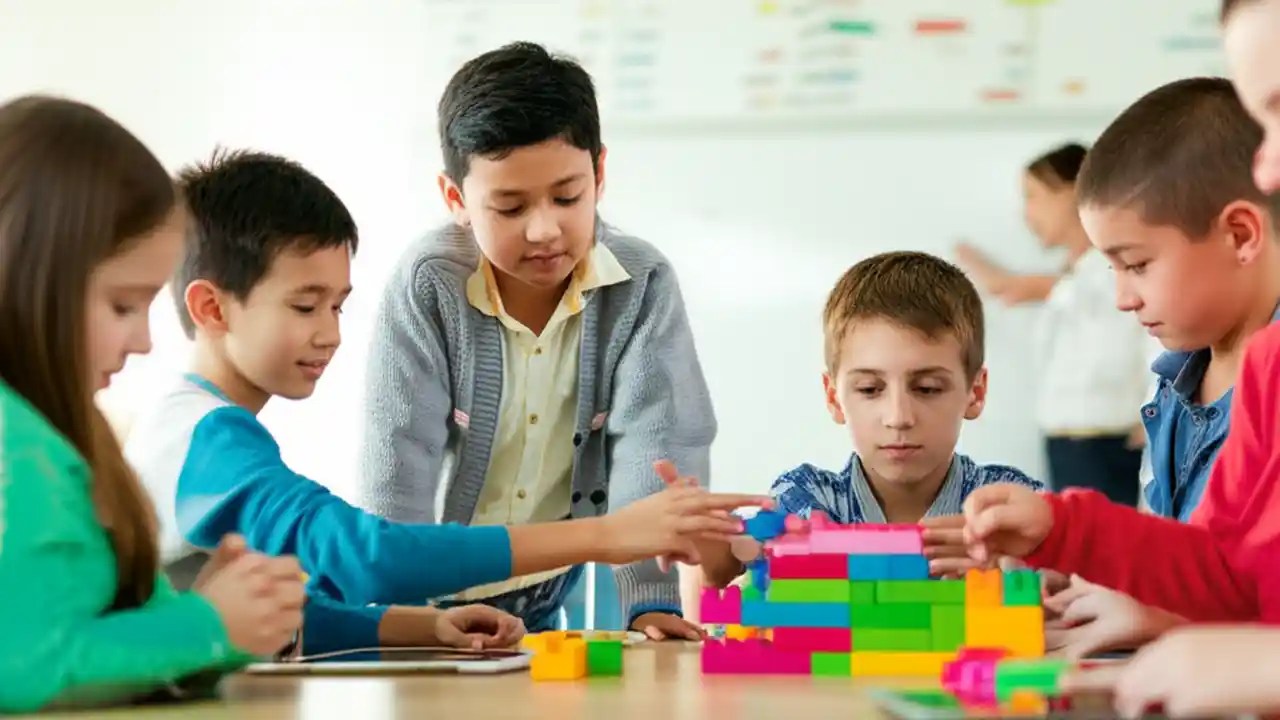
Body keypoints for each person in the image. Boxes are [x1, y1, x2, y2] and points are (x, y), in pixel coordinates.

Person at [125, 149, 765, 654]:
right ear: (211, 307)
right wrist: (604, 536)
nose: (331, 333)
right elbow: (363, 555)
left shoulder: (191, 426)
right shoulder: (207, 440)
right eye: (304, 305)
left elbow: (271, 609)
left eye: (339, 305)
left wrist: (418, 628)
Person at [359, 42, 716, 639]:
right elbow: (399, 460)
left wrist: (651, 601)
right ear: (457, 200)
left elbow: (656, 445)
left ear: (600, 173)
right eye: (509, 206)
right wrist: (404, 617)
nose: (545, 228)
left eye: (568, 197)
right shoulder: (430, 284)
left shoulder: (641, 282)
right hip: (433, 595)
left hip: (552, 585)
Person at [0, 96, 306, 713]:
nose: (142, 340)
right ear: (30, 276)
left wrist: (220, 619)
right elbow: (25, 665)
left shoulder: (65, 439)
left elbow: (112, 634)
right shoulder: (15, 447)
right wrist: (208, 626)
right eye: (121, 305)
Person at [698, 252, 1043, 588]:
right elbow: (724, 566)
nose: (898, 417)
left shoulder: (1013, 506)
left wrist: (1018, 572)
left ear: (976, 392)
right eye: (869, 389)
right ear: (834, 398)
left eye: (926, 388)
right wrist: (705, 541)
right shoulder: (803, 497)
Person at [956, 144, 1150, 506]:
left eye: (1033, 196)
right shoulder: (1076, 274)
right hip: (1070, 443)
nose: (1026, 214)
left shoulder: (1113, 269)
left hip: (1107, 445)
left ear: (1075, 191)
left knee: (1104, 555)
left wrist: (974, 263)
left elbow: (1015, 288)